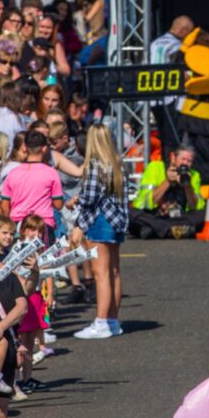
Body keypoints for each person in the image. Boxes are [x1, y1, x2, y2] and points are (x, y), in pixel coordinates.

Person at [69, 124, 128, 340]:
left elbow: (90, 198)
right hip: (117, 220)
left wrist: (76, 199)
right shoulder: (117, 163)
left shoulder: (95, 165)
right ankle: (112, 319)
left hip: (100, 220)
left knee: (100, 273)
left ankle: (102, 321)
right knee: (114, 272)